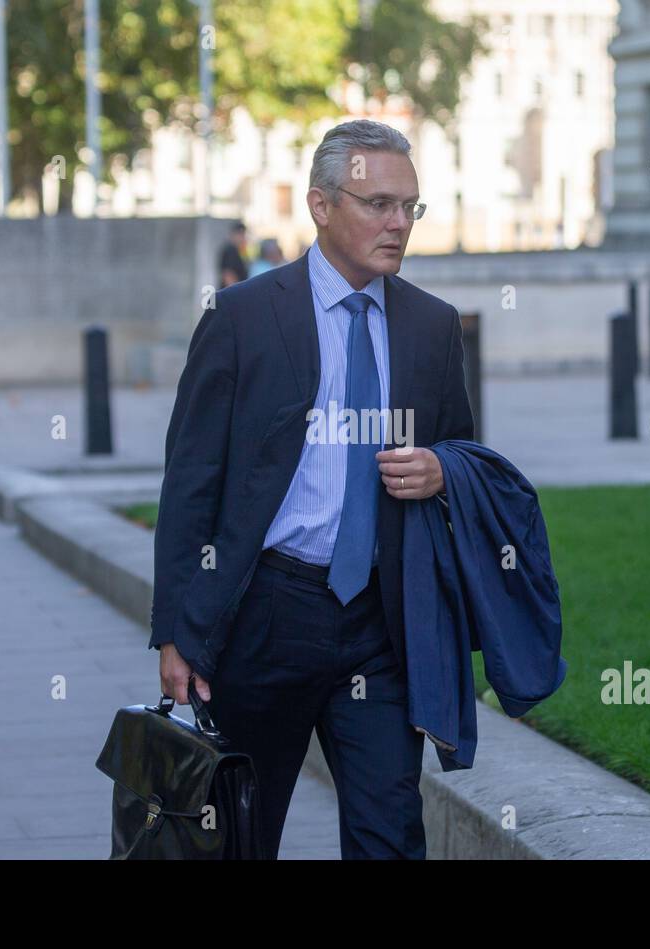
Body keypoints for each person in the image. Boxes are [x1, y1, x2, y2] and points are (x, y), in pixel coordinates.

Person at [149, 118, 467, 860]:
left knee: (390, 835)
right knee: (238, 835)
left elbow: (464, 455)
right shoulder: (243, 318)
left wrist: (443, 469)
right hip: (268, 613)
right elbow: (192, 481)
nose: (397, 224)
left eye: (409, 207)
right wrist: (174, 630)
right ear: (321, 206)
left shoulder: (431, 325)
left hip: (381, 626)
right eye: (378, 203)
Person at [218, 221, 249, 287]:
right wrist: (237, 293)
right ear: (233, 235)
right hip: (231, 293)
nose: (242, 237)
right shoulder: (230, 250)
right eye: (240, 234)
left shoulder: (239, 251)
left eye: (243, 234)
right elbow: (228, 275)